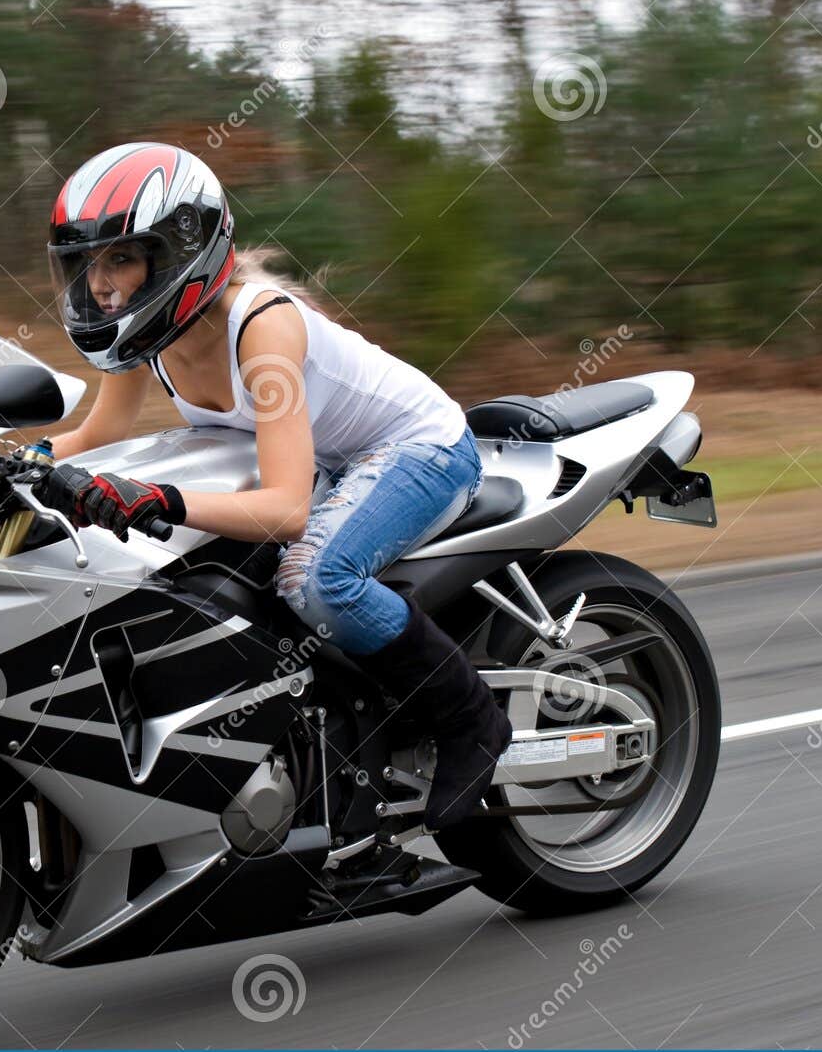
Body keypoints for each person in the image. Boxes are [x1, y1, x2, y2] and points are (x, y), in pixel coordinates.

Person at [33, 141, 511, 832]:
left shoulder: (261, 327)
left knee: (317, 581)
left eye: (120, 258)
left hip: (417, 448)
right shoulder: (145, 333)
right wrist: (5, 458)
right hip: (332, 465)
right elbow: (98, 432)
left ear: (176, 251)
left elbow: (287, 509)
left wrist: (159, 500)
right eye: (87, 262)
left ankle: (472, 721)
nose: (100, 283)